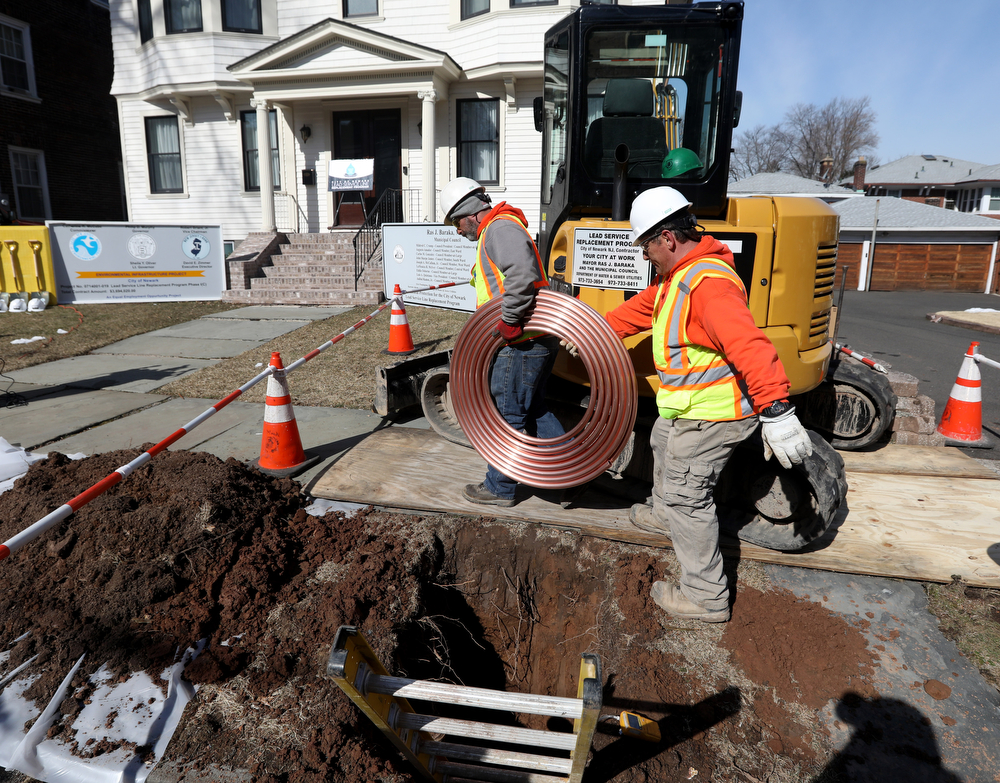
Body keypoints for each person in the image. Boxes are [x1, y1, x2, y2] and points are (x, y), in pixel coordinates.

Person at [605, 186, 814, 623]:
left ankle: (705, 596)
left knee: (688, 494)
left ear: (666, 237)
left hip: (714, 414)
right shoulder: (677, 279)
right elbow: (636, 313)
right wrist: (587, 328)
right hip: (689, 409)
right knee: (661, 439)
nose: (645, 256)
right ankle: (666, 515)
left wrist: (777, 410)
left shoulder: (708, 285)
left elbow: (750, 346)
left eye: (645, 246)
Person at [440, 177, 565, 508]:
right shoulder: (499, 229)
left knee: (508, 414)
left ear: (469, 213)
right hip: (532, 339)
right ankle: (570, 479)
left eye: (456, 222)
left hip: (520, 341)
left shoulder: (499, 229)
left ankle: (500, 487)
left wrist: (509, 322)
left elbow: (521, 276)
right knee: (532, 409)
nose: (457, 230)